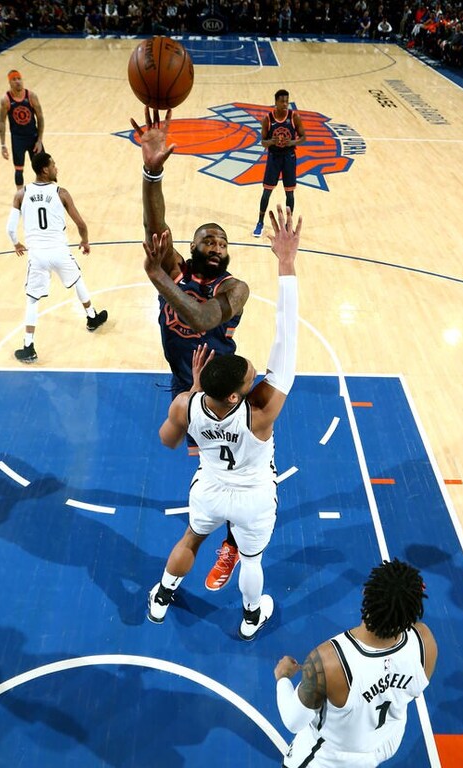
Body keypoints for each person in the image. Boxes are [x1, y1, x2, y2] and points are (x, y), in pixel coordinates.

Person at [146, 205, 301, 640]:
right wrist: (286, 264)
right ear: (238, 394)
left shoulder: (188, 407)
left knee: (190, 540)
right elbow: (286, 337)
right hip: (252, 498)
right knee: (252, 562)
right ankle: (251, 617)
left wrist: (191, 392)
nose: (255, 372)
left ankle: (162, 595)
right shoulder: (261, 413)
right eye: (250, 374)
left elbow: (166, 441)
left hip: (210, 491)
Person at [130, 106, 251, 592]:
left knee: (234, 473)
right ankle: (211, 535)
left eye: (221, 239)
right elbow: (154, 227)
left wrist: (159, 278)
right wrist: (152, 172)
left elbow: (202, 319)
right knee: (202, 465)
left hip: (225, 392)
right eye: (207, 237)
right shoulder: (176, 267)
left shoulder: (236, 287)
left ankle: (232, 545)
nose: (216, 241)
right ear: (195, 246)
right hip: (188, 384)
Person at [274, 558, 438, 767]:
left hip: (331, 756)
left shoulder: (329, 661)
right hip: (385, 743)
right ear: (413, 612)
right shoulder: (425, 643)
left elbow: (294, 721)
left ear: (365, 595)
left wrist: (283, 678)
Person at [5, 151, 108, 363]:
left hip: (38, 255)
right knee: (78, 281)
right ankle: (92, 318)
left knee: (32, 300)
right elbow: (81, 224)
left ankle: (28, 346)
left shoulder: (21, 194)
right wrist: (85, 241)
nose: (56, 168)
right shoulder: (61, 193)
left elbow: (10, 229)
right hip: (60, 251)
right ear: (45, 169)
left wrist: (16, 243)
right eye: (53, 165)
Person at [253, 90, 306, 238]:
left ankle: (289, 225)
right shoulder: (268, 119)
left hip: (289, 157)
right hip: (274, 157)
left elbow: (303, 137)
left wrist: (293, 142)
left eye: (286, 102)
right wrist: (272, 142)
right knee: (266, 192)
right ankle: (260, 223)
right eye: (282, 101)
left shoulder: (294, 117)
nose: (284, 104)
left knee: (289, 193)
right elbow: (263, 141)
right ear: (275, 102)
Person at [0, 69, 44, 189]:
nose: (18, 82)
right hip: (18, 139)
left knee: (43, 169)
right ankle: (21, 199)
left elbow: (40, 118)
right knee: (19, 171)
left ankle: (44, 193)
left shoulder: (31, 96)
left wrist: (39, 140)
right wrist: (3, 145)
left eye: (19, 79)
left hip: (33, 137)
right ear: (10, 83)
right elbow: (1, 121)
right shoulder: (6, 100)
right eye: (14, 79)